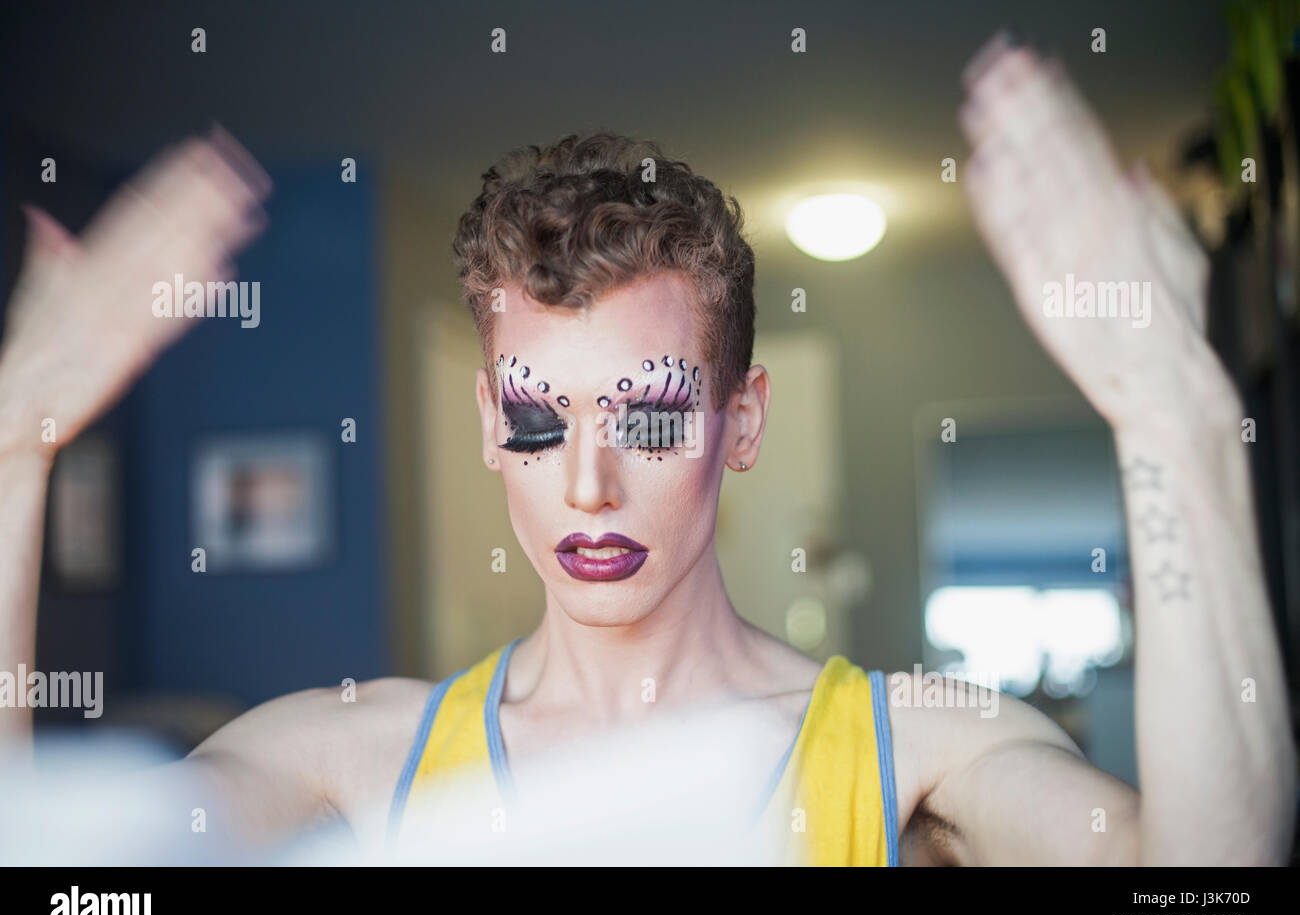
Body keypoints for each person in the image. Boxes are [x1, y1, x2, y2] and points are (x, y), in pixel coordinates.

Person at [0, 35, 1292, 865]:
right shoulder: (356, 757)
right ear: (490, 430)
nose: (587, 482)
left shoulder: (917, 750)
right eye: (539, 417)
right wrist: (14, 443)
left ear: (741, 424)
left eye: (653, 415)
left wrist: (1173, 409)